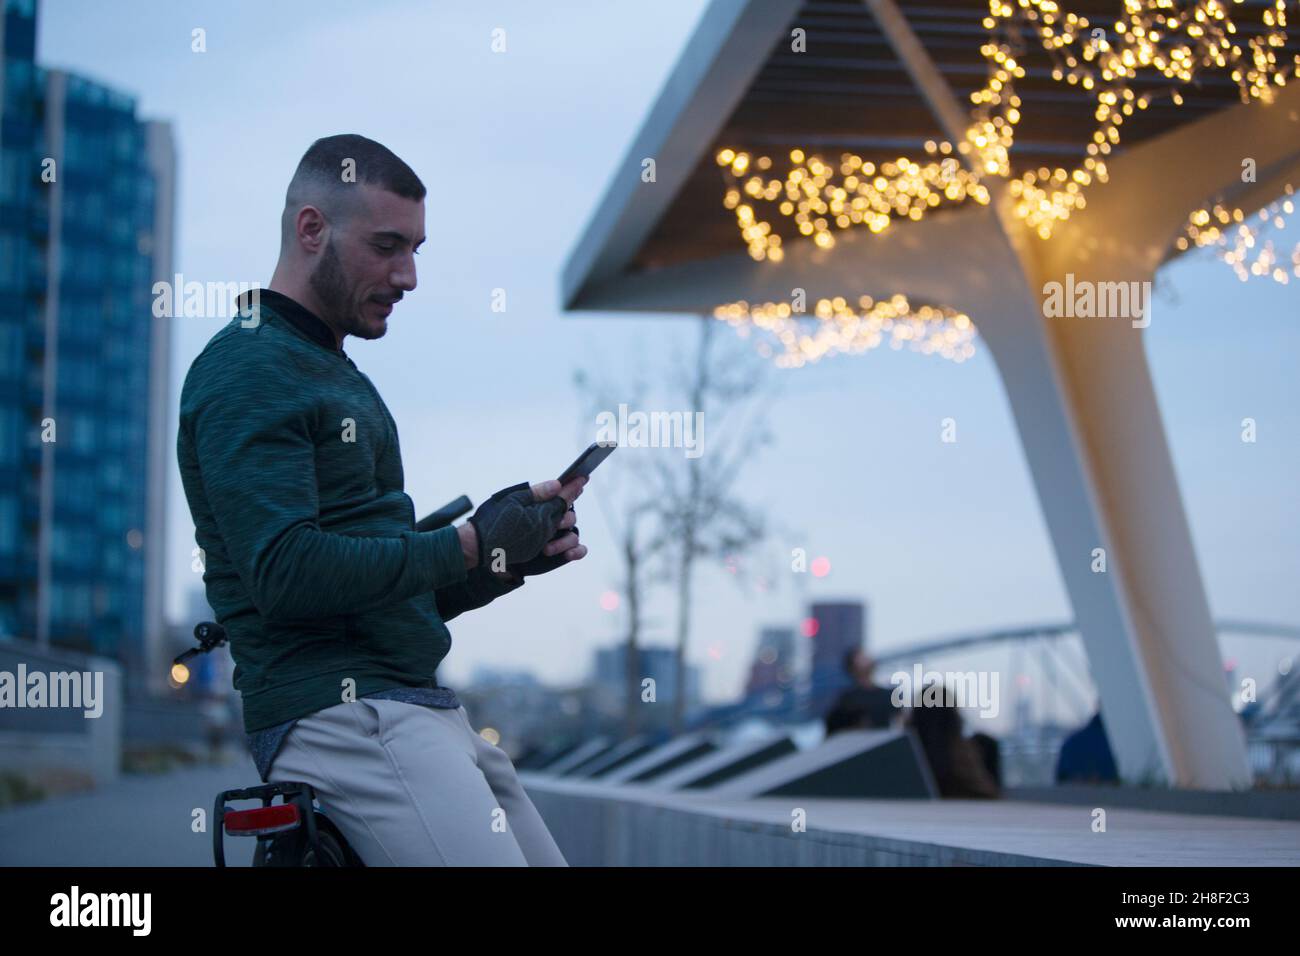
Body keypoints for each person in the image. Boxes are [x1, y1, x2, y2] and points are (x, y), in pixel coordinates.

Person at [177, 134, 587, 866]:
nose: (409, 275)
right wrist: (463, 542)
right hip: (344, 716)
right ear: (312, 229)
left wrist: (498, 561)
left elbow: (376, 588)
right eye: (388, 246)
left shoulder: (335, 371)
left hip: (409, 709)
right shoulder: (249, 368)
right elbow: (285, 573)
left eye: (417, 250)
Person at [823, 648, 898, 736]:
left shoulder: (888, 695)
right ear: (852, 667)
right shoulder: (847, 700)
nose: (867, 657)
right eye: (861, 657)